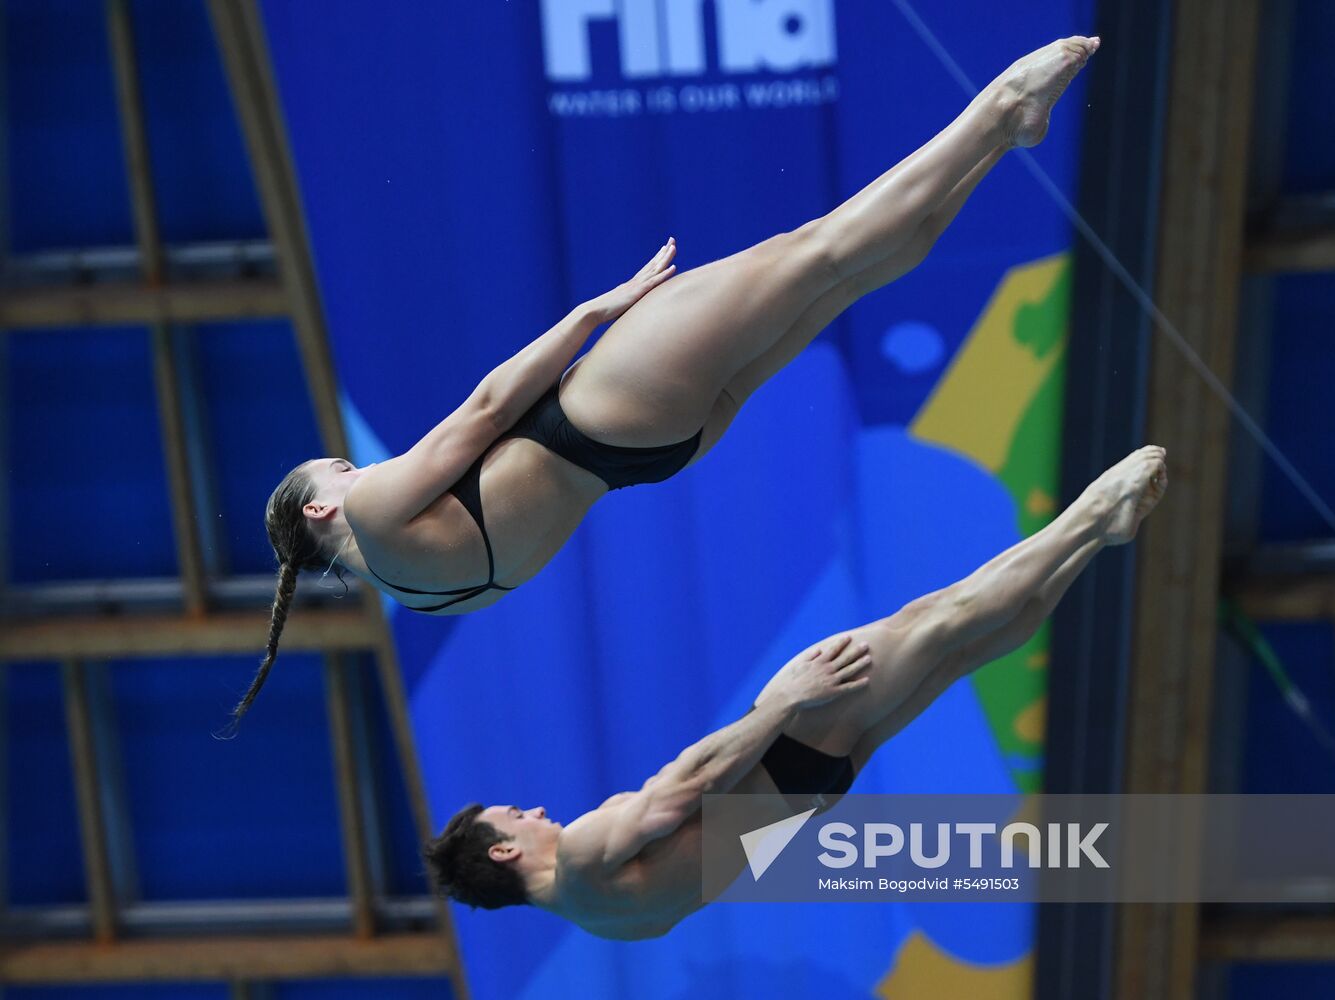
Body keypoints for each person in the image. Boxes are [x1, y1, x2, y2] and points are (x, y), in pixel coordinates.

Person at [247, 36, 1102, 726]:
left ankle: (1000, 140)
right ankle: (996, 111)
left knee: (843, 278)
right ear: (324, 508)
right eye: (344, 470)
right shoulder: (372, 512)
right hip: (603, 407)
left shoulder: (426, 599)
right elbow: (487, 407)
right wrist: (597, 313)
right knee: (820, 251)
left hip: (652, 454)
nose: (359, 476)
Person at [424, 447, 1167, 940]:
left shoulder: (608, 923)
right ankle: (1098, 510)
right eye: (519, 814)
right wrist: (787, 702)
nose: (539, 808)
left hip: (808, 793)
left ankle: (1101, 537)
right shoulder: (584, 855)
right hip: (787, 746)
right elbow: (685, 789)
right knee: (938, 620)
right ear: (508, 848)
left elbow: (717, 853)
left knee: (957, 653)